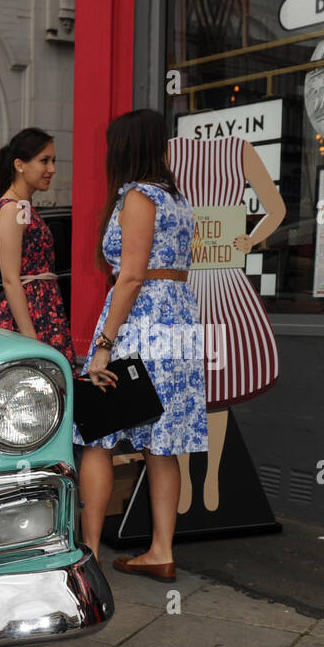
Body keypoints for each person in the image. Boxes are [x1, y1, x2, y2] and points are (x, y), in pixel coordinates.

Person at [76, 108, 209, 580]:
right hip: (178, 320)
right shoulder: (176, 199)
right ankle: (161, 551)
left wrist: (104, 345)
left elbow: (130, 276)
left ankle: (88, 553)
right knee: (163, 443)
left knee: (96, 434)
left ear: (124, 147)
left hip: (140, 322)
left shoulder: (137, 196)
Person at [0, 128, 74, 365]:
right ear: (19, 165)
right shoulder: (13, 208)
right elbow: (10, 279)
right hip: (29, 317)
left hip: (42, 311)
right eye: (44, 161)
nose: (52, 169)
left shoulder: (23, 206)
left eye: (53, 161)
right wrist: (29, 337)